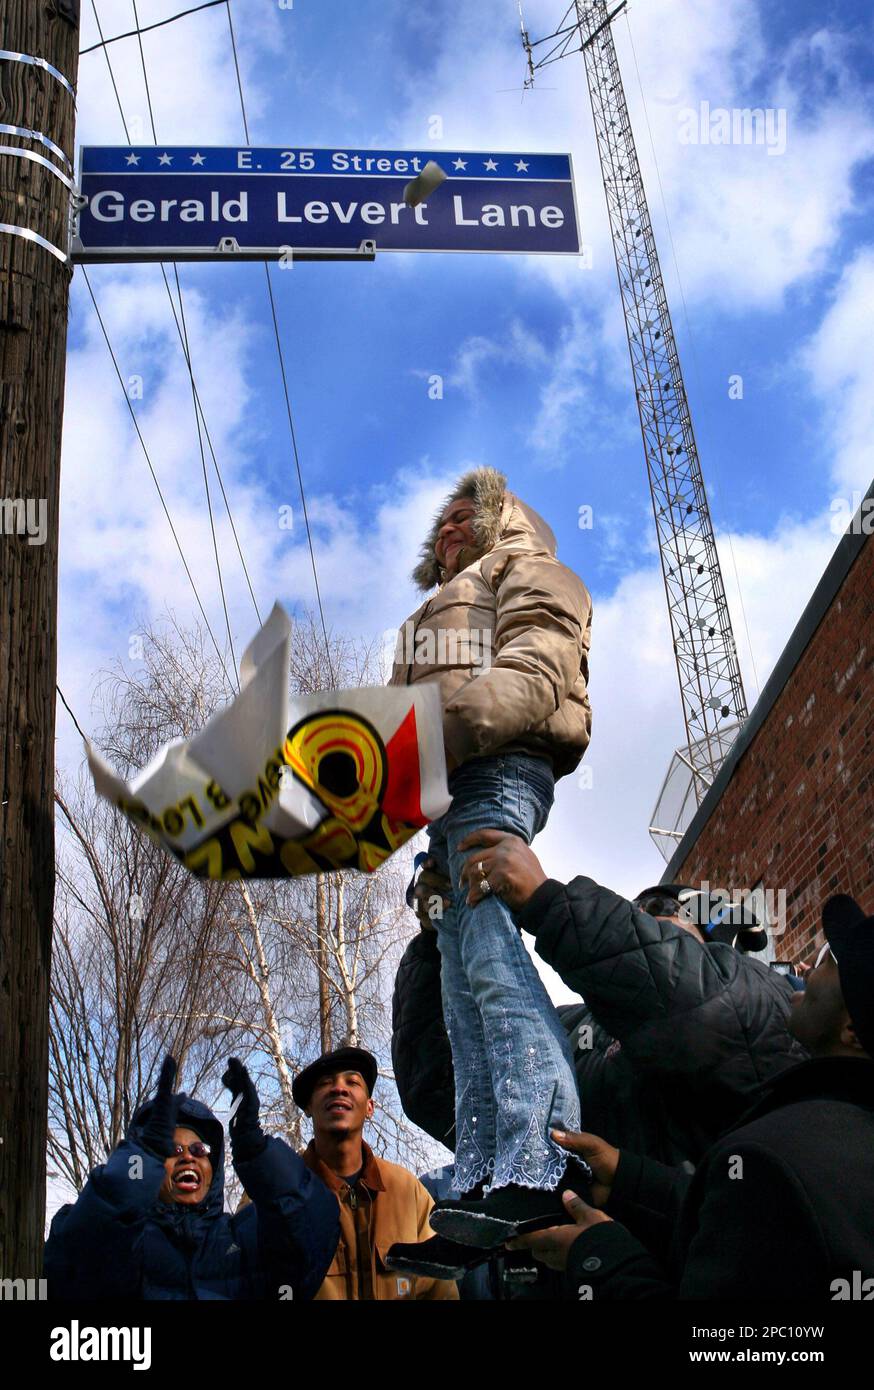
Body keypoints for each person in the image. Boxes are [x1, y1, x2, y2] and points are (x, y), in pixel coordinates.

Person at [389, 842, 803, 1278]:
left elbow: (686, 993)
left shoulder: (761, 998)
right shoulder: (574, 1029)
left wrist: (545, 901)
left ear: (714, 940)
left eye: (663, 907)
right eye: (635, 907)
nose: (643, 914)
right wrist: (439, 940)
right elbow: (443, 1088)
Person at [386, 466, 594, 1253]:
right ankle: (480, 1179)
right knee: (457, 978)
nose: (445, 529)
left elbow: (537, 668)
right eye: (436, 522)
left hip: (498, 763)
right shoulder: (426, 614)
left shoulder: (527, 567)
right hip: (443, 794)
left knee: (489, 956)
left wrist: (431, 742)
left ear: (494, 515)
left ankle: (544, 1164)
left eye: (460, 514)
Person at [509, 893, 874, 1300]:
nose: (811, 966)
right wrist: (632, 1180)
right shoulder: (807, 1122)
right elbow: (740, 1221)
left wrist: (597, 1256)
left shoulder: (801, 1151)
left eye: (833, 961)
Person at [44, 1056, 339, 1301]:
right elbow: (76, 1261)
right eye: (173, 1150)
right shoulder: (127, 1242)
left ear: (213, 1165)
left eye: (200, 1149)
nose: (188, 1157)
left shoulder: (246, 1237)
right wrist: (140, 1161)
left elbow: (313, 1233)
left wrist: (255, 1148)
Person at [294, 1045, 458, 1300]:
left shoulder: (407, 1190)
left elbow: (439, 1289)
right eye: (325, 1083)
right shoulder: (277, 1190)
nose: (339, 1088)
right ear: (308, 1107)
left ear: (370, 1108)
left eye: (352, 1081)